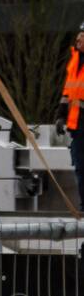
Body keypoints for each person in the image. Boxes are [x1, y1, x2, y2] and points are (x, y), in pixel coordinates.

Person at [55, 23, 84, 213]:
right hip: (78, 128)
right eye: (79, 37)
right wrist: (60, 116)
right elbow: (67, 92)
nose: (78, 40)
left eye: (83, 37)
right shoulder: (75, 61)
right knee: (81, 173)